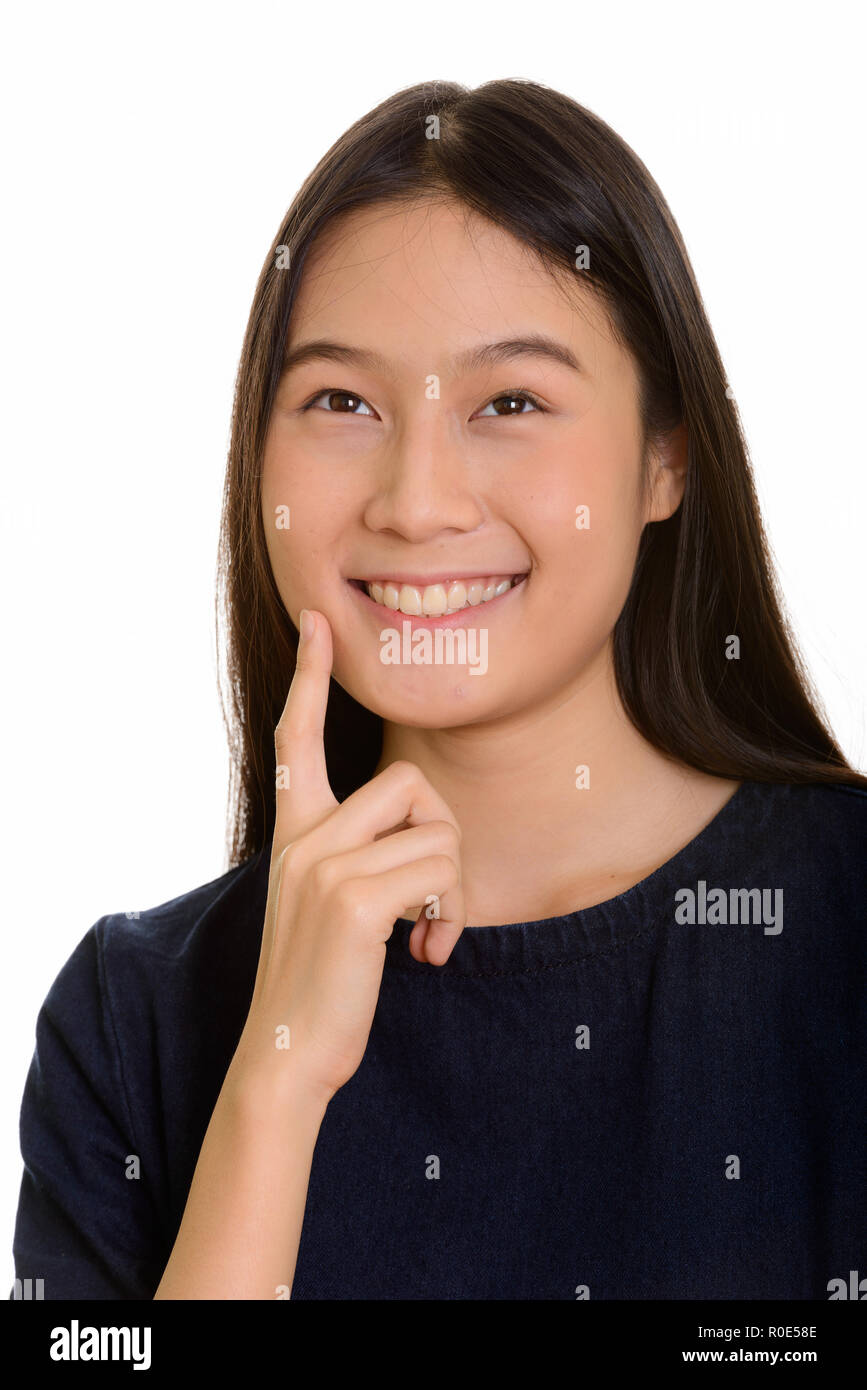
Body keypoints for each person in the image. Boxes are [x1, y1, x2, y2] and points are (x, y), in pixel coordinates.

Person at [11, 78, 867, 1301]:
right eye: (342, 402)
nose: (417, 501)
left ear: (667, 456)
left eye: (510, 402)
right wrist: (277, 1080)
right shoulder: (134, 1016)